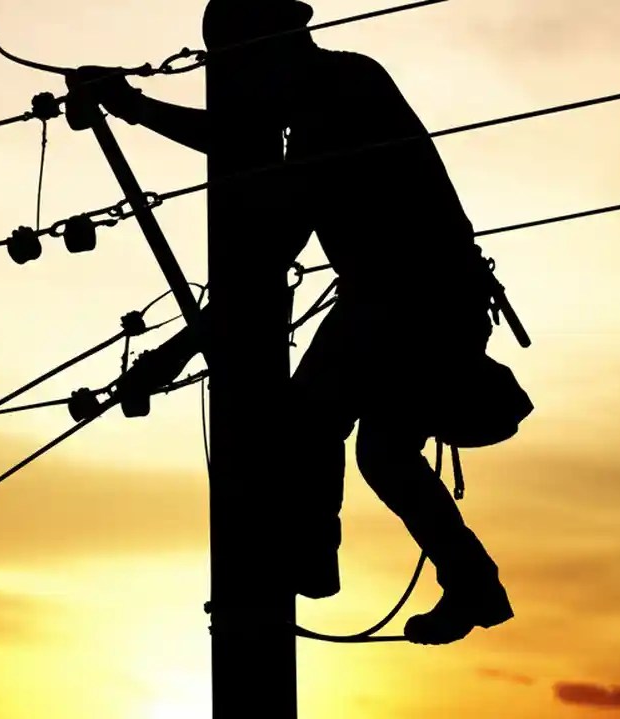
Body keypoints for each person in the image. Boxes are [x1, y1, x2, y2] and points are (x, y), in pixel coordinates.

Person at [68, 0, 519, 645]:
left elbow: (262, 199)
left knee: (317, 427)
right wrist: (131, 104)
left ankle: (315, 562)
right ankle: (457, 582)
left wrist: (176, 350)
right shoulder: (324, 96)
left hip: (414, 298)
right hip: (405, 297)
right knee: (380, 454)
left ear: (271, 49)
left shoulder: (342, 95)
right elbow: (242, 140)